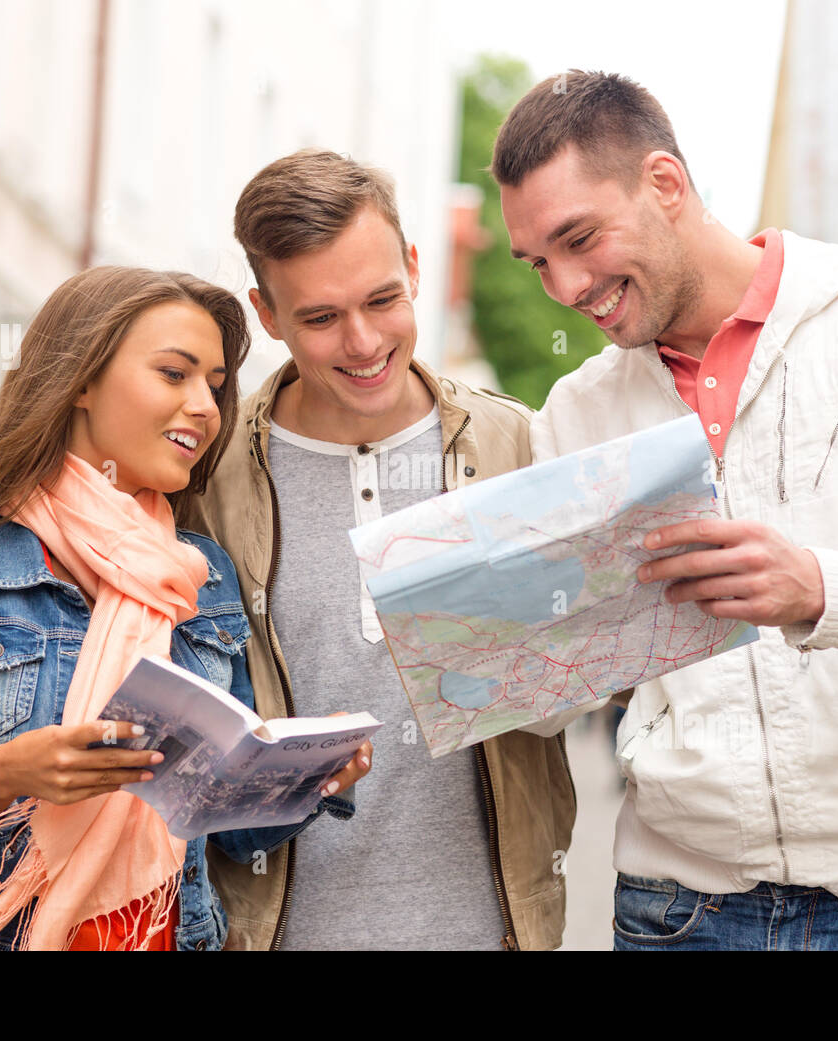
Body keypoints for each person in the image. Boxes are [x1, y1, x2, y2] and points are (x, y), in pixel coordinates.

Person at [491, 70, 838, 950]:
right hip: (674, 909)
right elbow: (556, 694)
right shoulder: (579, 410)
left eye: (579, 238)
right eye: (538, 262)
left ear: (666, 185)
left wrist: (822, 590)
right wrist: (484, 632)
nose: (564, 287)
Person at [0, 266, 370, 951]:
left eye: (214, 385)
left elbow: (233, 835)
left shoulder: (202, 575)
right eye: (174, 373)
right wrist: (0, 777)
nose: (207, 406)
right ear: (83, 382)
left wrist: (308, 776)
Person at [182, 149, 576, 950]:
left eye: (382, 300)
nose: (362, 342)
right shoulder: (208, 478)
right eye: (321, 318)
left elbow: (573, 683)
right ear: (266, 314)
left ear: (416, 268)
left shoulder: (517, 444)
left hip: (486, 932)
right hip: (268, 934)